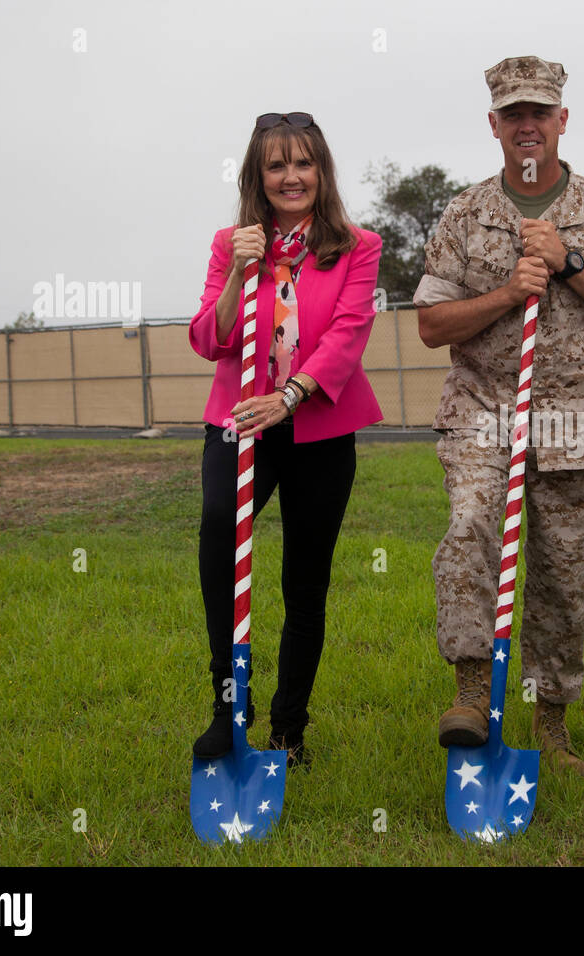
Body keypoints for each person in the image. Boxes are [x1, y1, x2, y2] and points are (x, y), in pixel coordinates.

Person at [414, 56, 584, 776]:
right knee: (469, 527)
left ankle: (550, 724)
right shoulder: (464, 213)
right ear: (494, 124)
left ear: (562, 120)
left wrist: (571, 264)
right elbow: (431, 326)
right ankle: (469, 691)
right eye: (514, 114)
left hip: (581, 425)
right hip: (484, 412)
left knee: (563, 579)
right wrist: (506, 294)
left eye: (540, 113)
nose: (528, 125)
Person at [188, 112, 383, 767]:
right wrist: (242, 276)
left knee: (305, 582)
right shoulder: (232, 245)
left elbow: (347, 334)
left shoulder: (358, 245)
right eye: (277, 165)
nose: (291, 176)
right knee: (219, 532)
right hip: (240, 420)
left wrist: (290, 396)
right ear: (258, 175)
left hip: (318, 424)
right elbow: (209, 340)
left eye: (303, 163)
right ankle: (228, 708)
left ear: (320, 171)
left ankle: (288, 729)